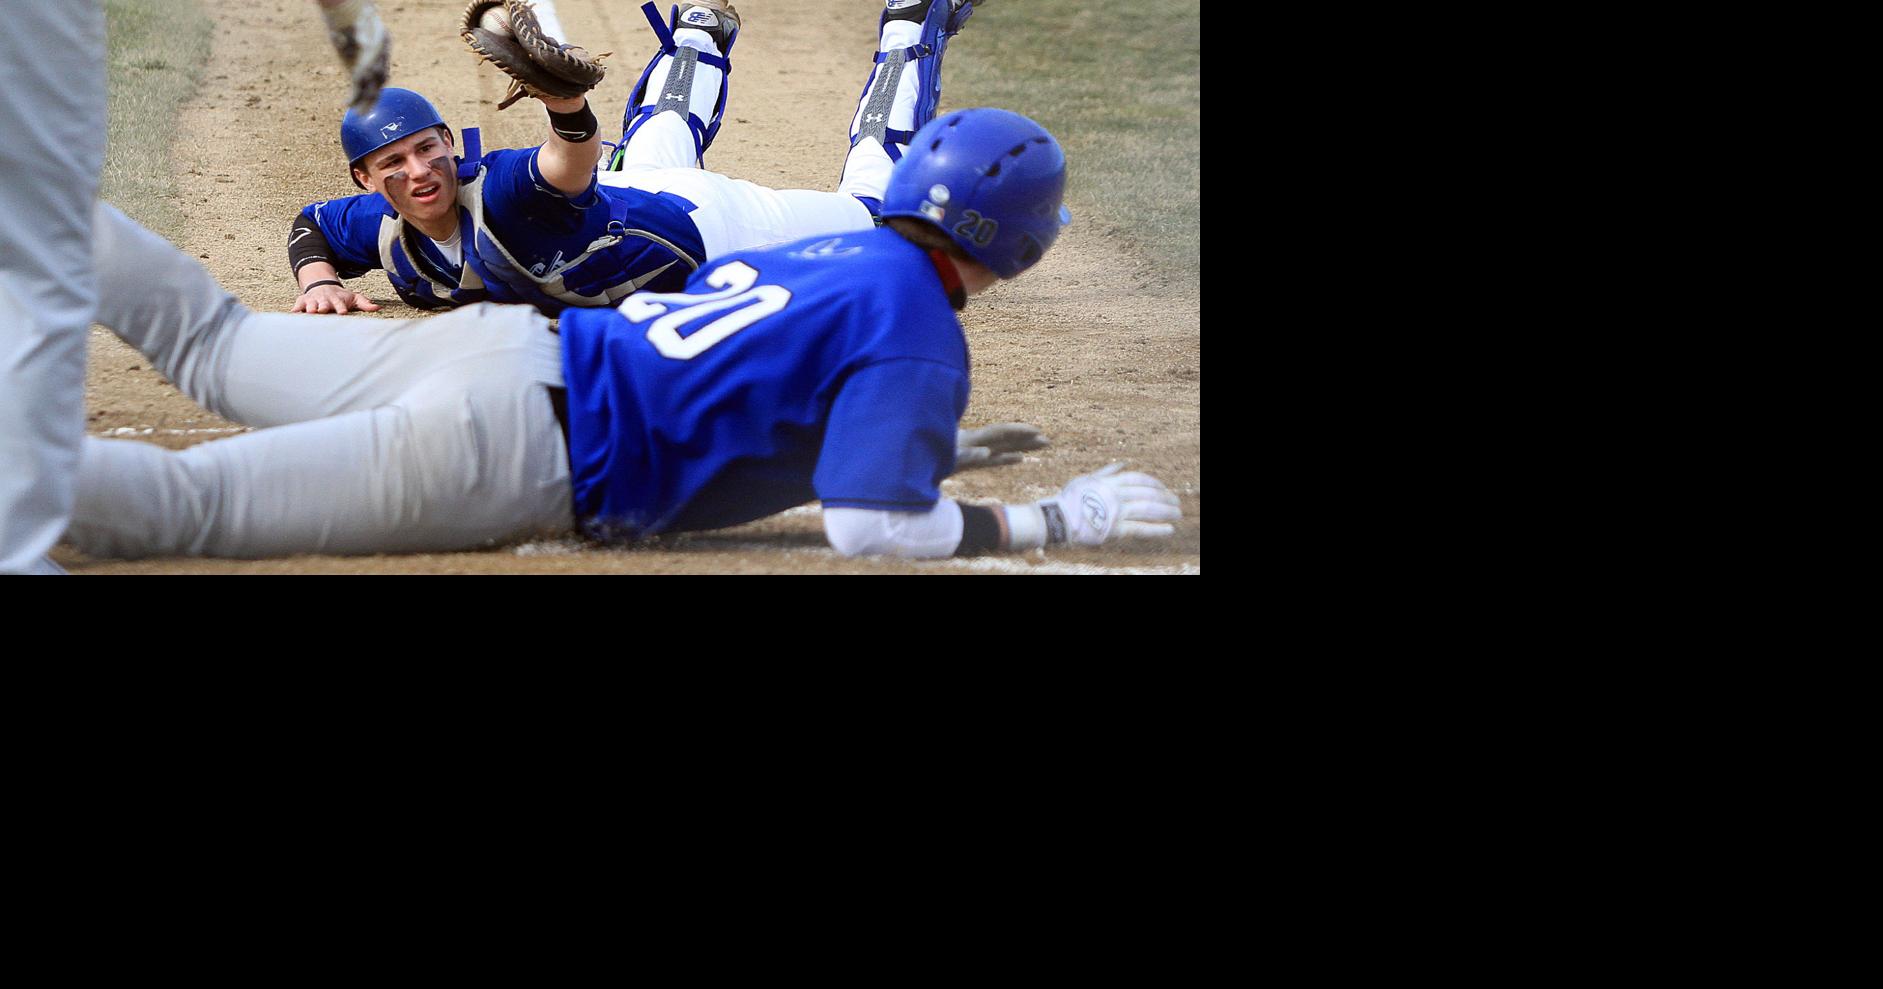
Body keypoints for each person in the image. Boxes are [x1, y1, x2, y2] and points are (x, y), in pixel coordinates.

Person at [65, 108, 1180, 561]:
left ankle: (33, 195)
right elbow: (867, 525)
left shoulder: (824, 251)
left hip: (497, 351)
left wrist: (887, 430)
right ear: (1024, 243)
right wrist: (1035, 517)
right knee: (192, 508)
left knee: (209, 341)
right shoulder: (923, 334)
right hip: (515, 449)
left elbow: (733, 322)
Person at [289, 0, 985, 317]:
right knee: (660, 134)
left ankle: (909, 24)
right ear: (367, 180)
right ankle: (699, 30)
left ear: (449, 143)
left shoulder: (497, 191)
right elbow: (311, 224)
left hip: (712, 231)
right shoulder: (383, 226)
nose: (419, 172)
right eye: (394, 166)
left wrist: (566, 108)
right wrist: (319, 280)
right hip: (632, 196)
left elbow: (567, 165)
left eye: (427, 149)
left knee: (881, 219)